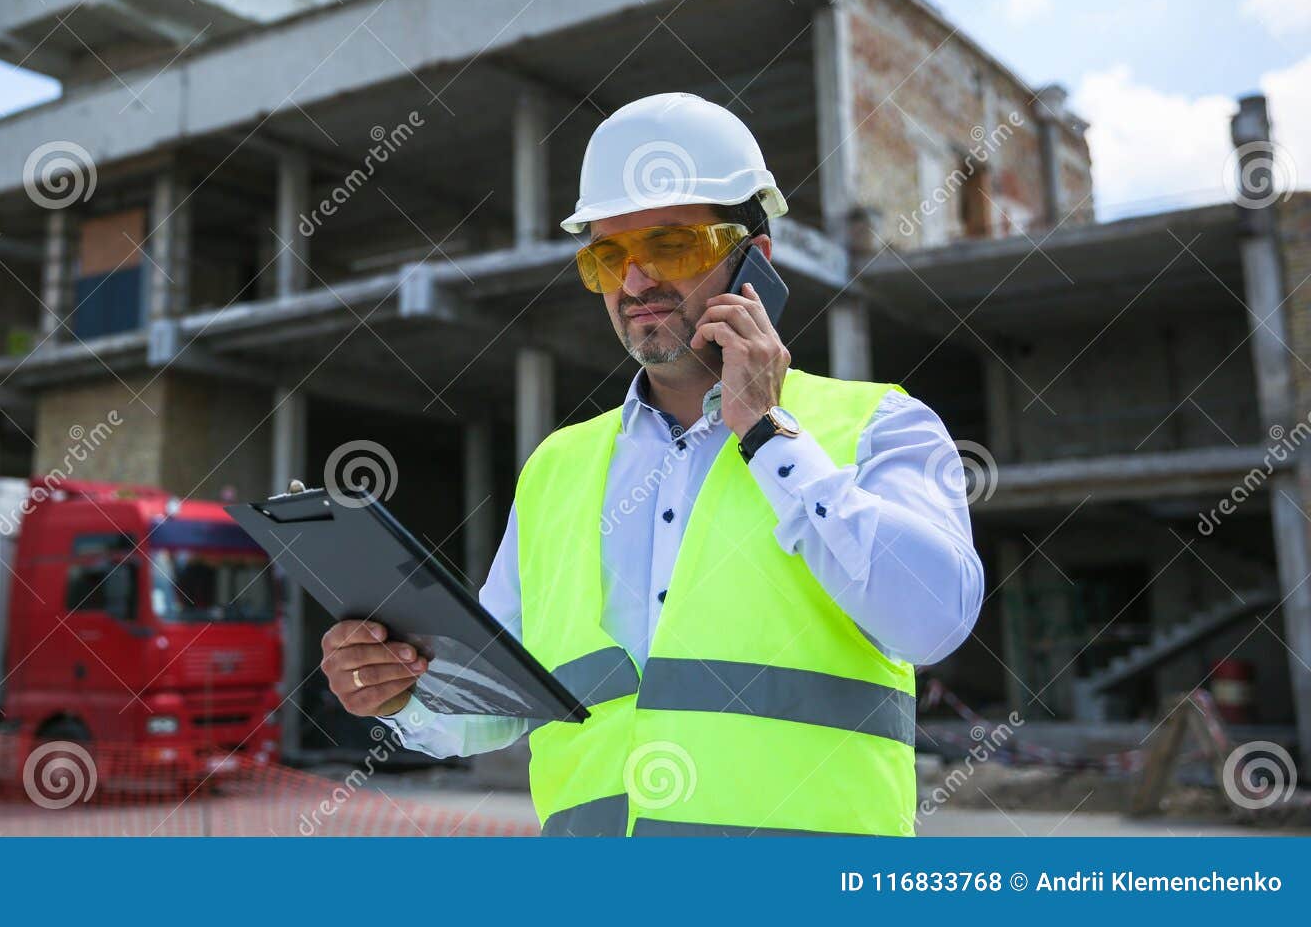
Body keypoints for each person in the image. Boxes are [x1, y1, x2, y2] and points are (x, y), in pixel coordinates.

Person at [320, 92, 982, 836]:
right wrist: (401, 692)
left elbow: (933, 622)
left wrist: (768, 434)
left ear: (754, 262)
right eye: (609, 257)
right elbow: (497, 703)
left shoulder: (877, 426)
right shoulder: (558, 467)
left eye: (671, 247)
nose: (635, 284)